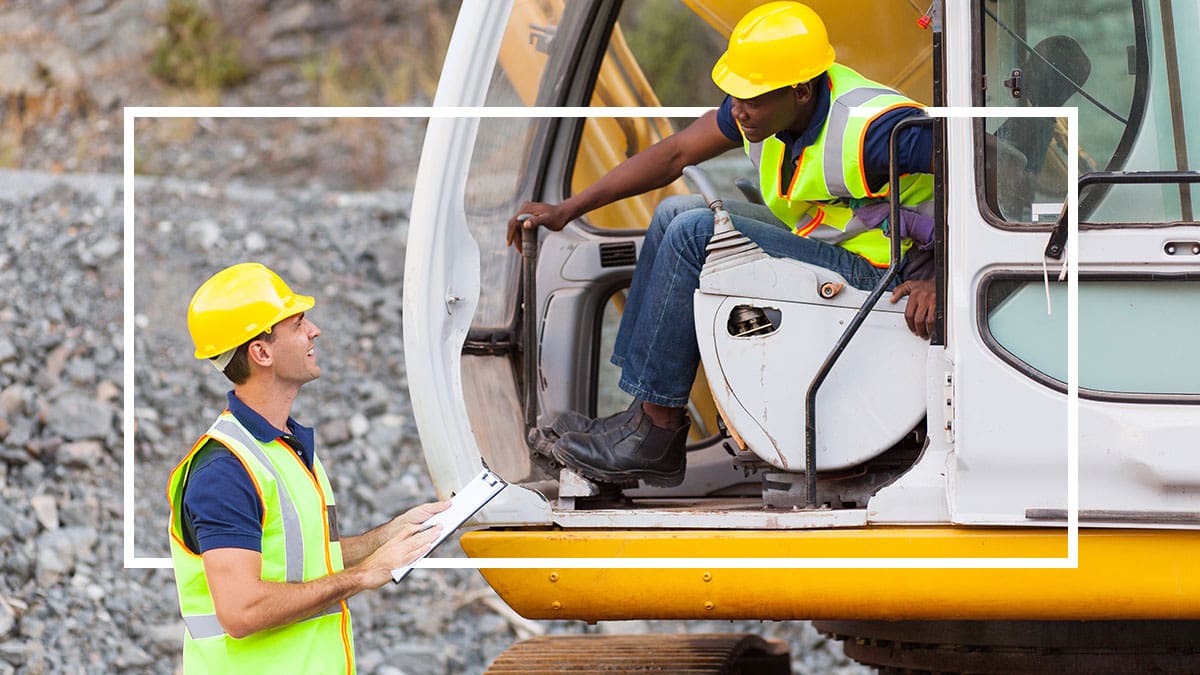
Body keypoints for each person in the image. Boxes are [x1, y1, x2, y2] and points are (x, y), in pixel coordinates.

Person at [506, 2, 937, 488]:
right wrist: (569, 208)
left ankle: (657, 434)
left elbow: (998, 167)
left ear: (800, 90)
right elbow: (675, 154)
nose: (737, 110)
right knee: (675, 212)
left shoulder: (876, 131)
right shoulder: (770, 107)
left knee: (695, 234)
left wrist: (939, 280)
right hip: (835, 252)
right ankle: (642, 418)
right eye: (732, 95)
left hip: (886, 277)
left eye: (750, 99)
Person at [166, 262, 448, 674]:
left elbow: (308, 559)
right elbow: (241, 610)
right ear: (261, 352)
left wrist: (386, 537)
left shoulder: (284, 448)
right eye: (298, 323)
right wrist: (365, 575)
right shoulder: (225, 470)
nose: (314, 330)